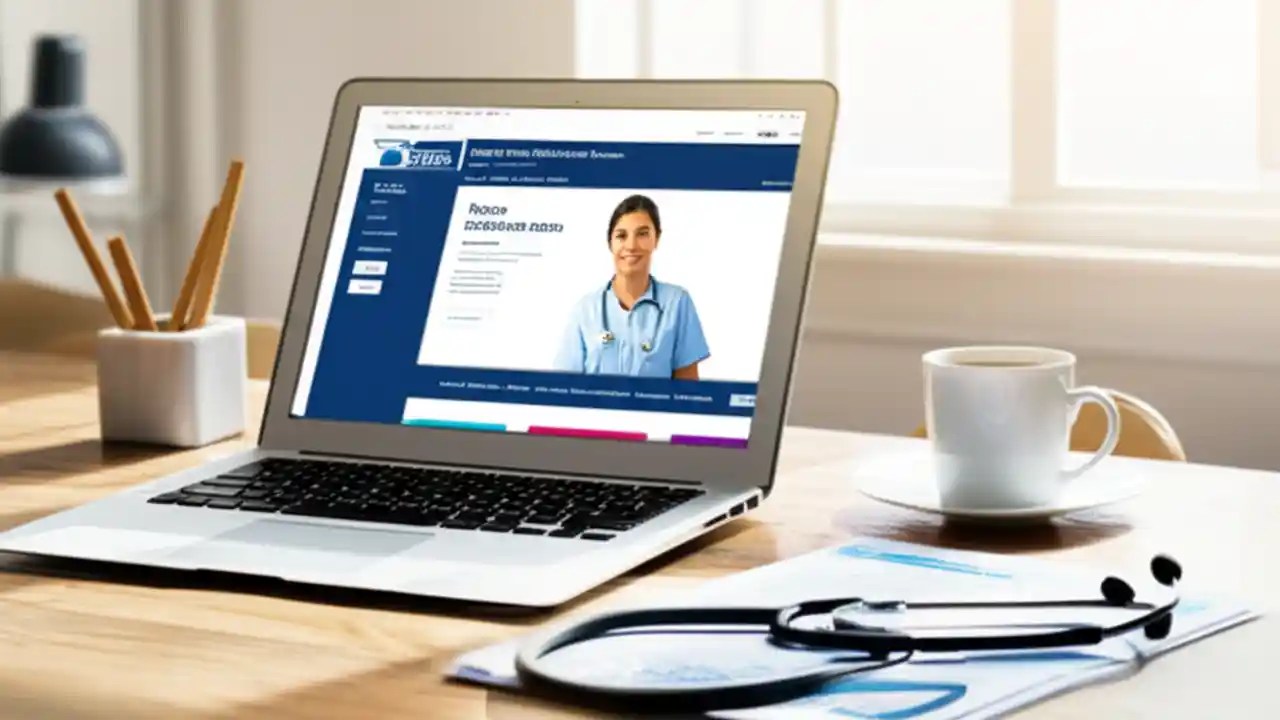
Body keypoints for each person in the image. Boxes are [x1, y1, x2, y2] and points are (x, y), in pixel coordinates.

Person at [553, 194, 709, 378]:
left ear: (656, 238)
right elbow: (565, 388)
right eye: (621, 236)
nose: (631, 245)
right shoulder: (586, 310)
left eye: (642, 234)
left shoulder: (677, 303)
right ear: (610, 243)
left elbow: (688, 390)